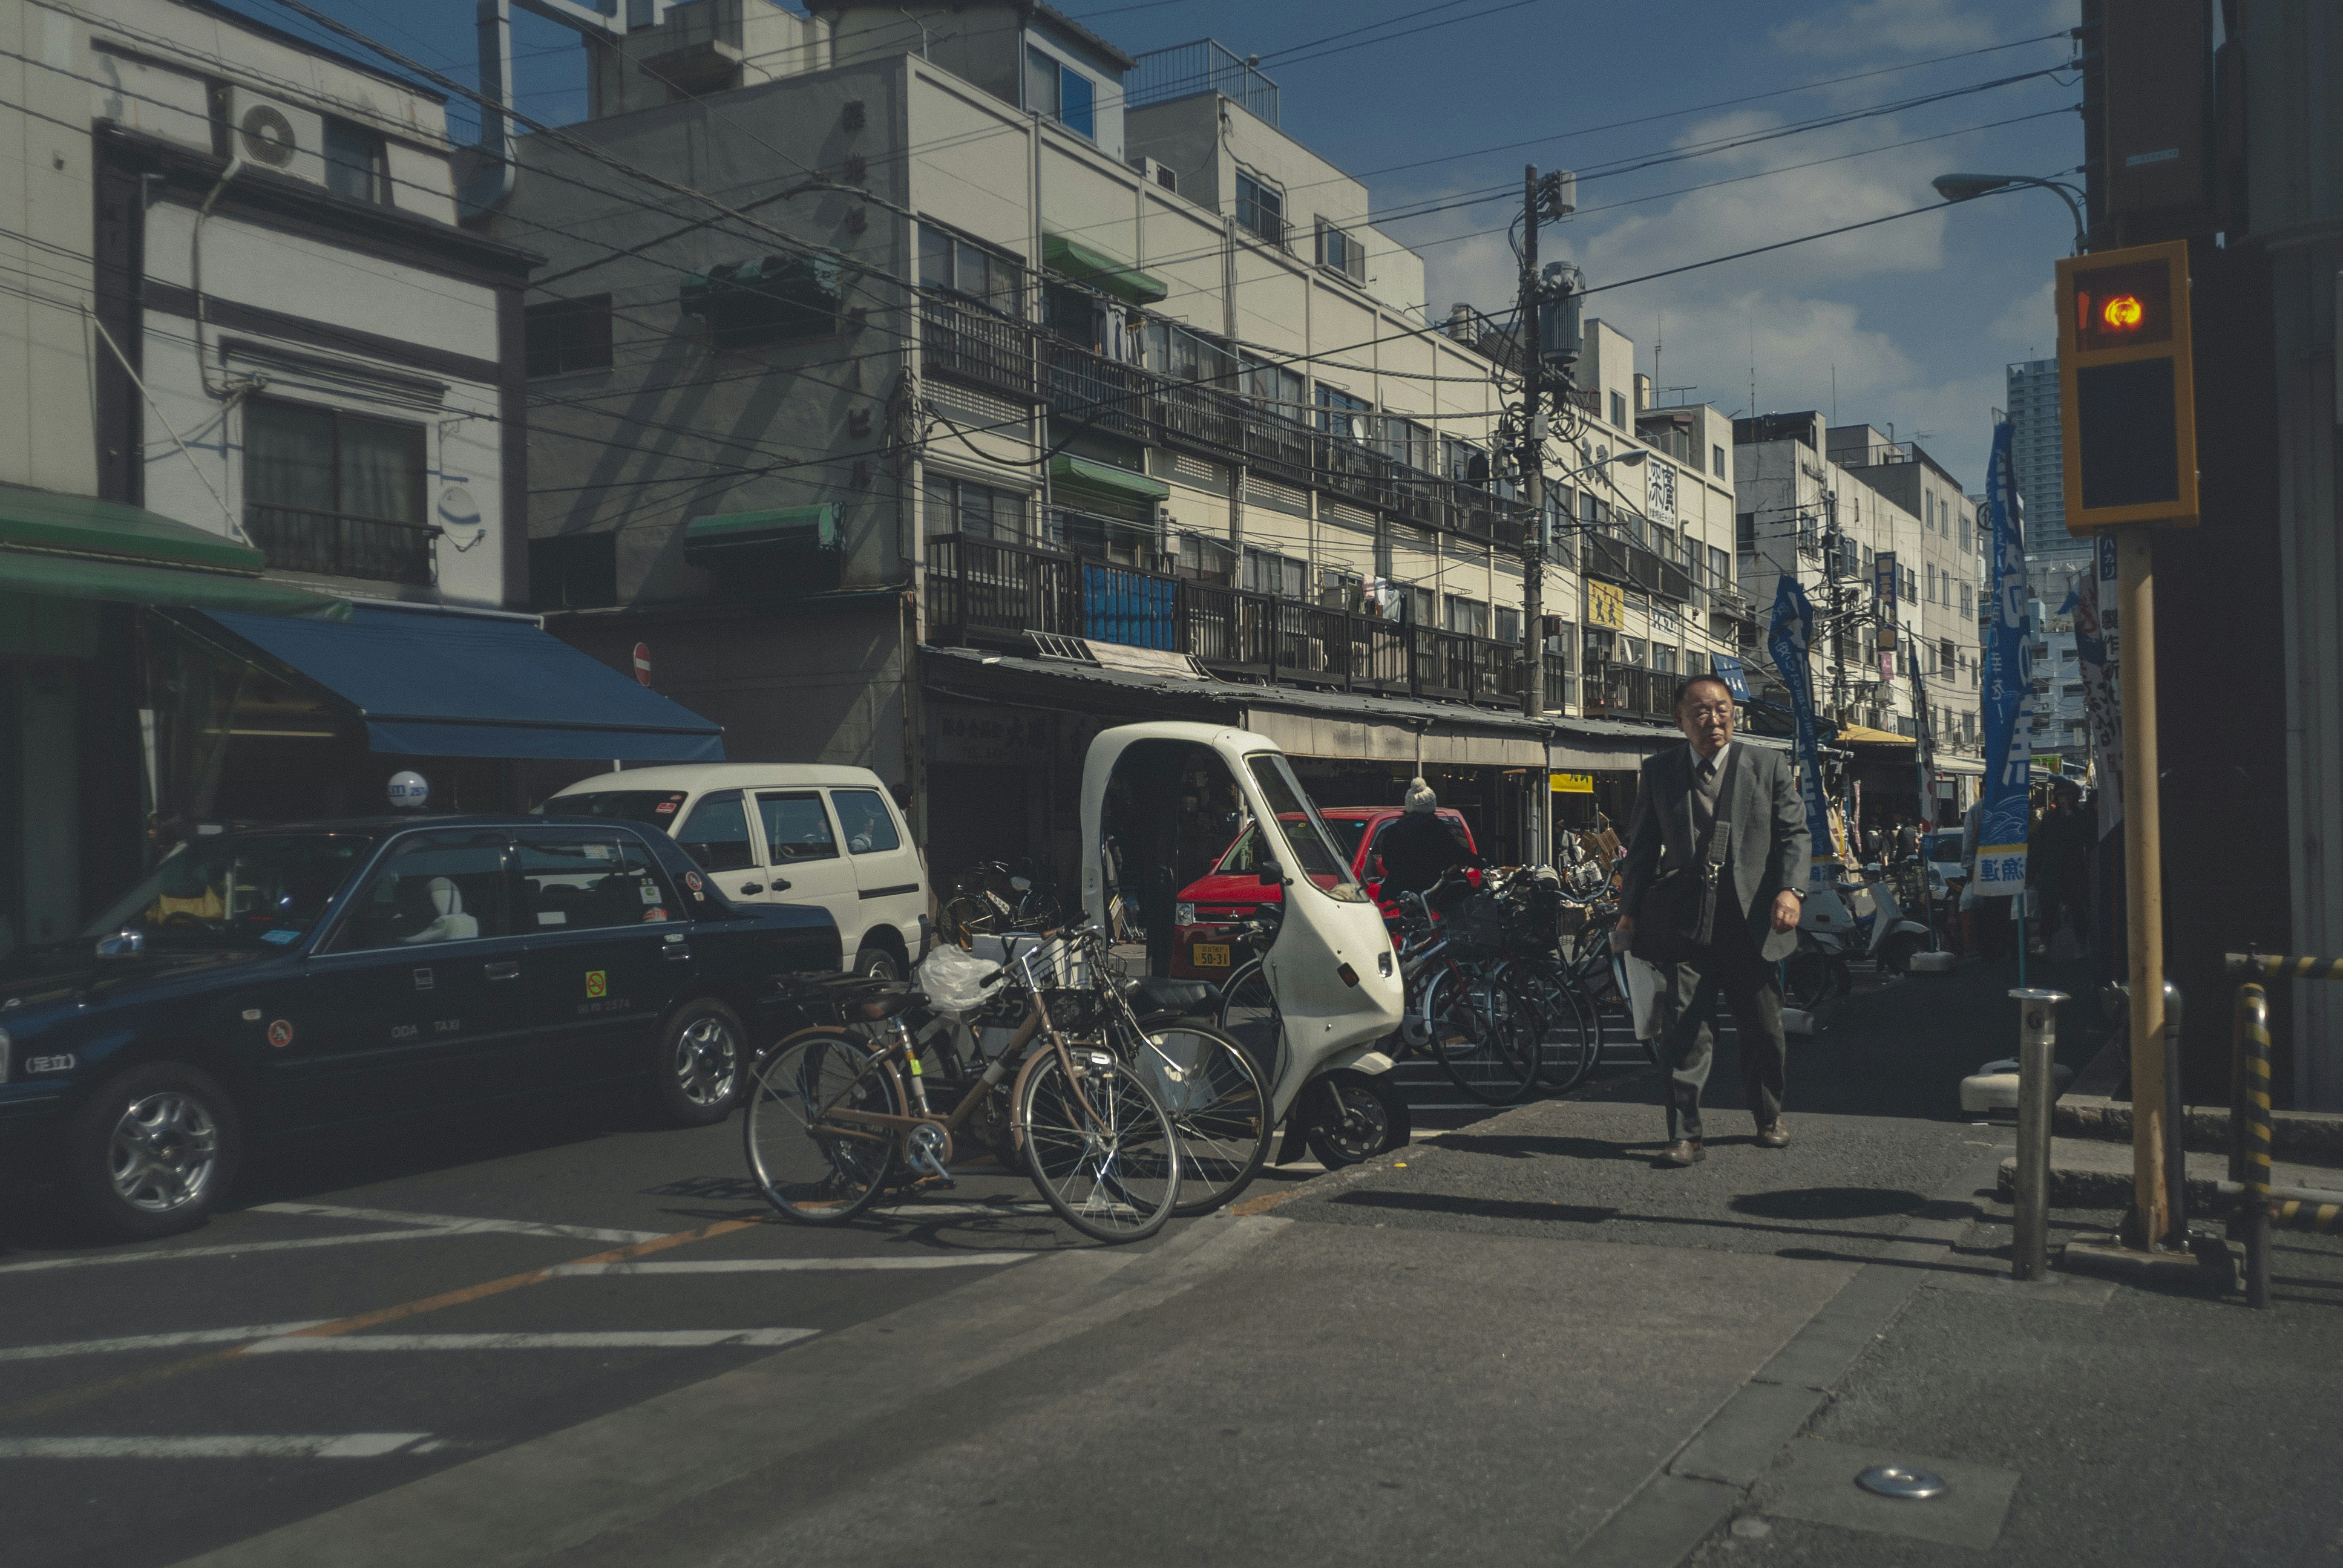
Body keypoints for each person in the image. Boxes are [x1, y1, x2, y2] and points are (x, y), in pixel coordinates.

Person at [1614, 675, 1810, 1166]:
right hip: (1687, 922)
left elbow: (1795, 834)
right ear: (1680, 720)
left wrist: (1791, 889)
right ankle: (1685, 1134)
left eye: (1722, 709)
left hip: (1753, 921)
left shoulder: (1767, 766)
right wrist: (1629, 914)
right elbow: (1640, 850)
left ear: (1734, 714)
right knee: (1684, 1031)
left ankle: (1768, 1117)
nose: (1714, 720)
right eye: (1700, 711)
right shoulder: (1659, 772)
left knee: (1764, 1030)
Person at [1375, 777, 1475, 900]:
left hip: (1399, 892)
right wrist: (1478, 861)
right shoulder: (1436, 828)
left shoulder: (1393, 831)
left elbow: (1387, 862)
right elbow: (1455, 852)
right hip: (1434, 891)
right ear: (1431, 808)